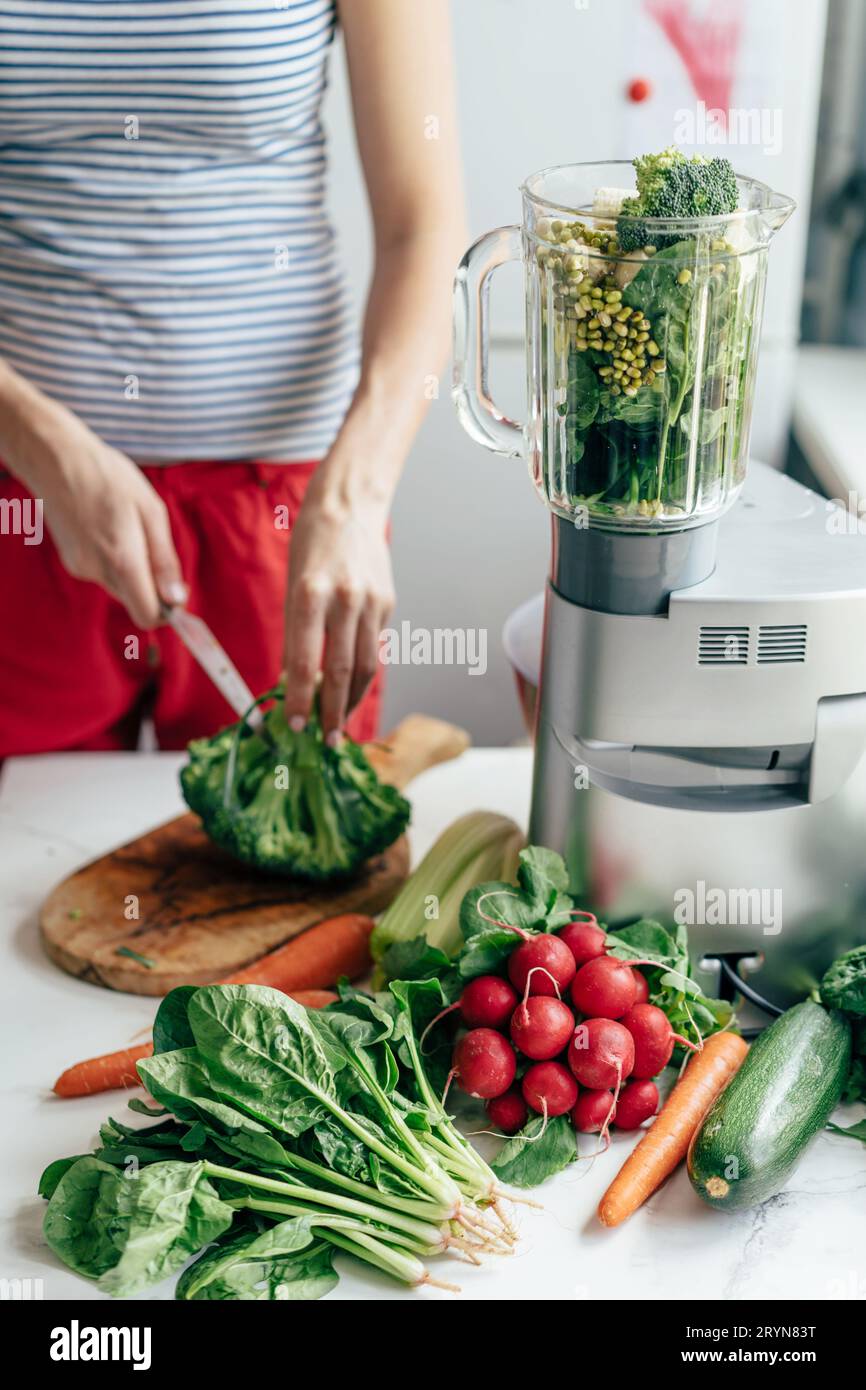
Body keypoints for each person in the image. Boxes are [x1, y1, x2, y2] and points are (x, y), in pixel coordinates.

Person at [0, 0, 463, 754]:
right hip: (25, 495)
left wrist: (355, 498)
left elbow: (426, 229)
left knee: (288, 846)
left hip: (288, 511)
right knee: (23, 856)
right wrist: (40, 444)